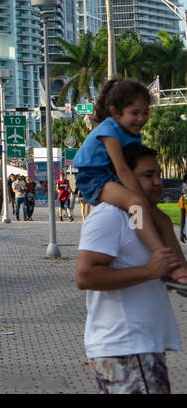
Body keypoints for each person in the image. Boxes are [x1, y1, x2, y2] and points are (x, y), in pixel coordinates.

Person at [76, 142, 182, 393]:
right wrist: (148, 271)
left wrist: (164, 226)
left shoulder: (148, 219)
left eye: (158, 175)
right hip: (125, 348)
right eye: (148, 175)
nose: (158, 182)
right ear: (123, 179)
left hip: (141, 346)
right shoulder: (110, 216)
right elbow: (85, 275)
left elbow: (176, 274)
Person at [73, 78, 187, 284]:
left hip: (112, 177)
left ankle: (181, 271)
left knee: (163, 219)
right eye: (134, 113)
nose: (141, 119)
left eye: (145, 112)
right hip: (94, 178)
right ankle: (162, 258)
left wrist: (150, 206)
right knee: (136, 206)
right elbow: (123, 170)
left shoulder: (134, 135)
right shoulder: (109, 130)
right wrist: (141, 198)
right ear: (116, 112)